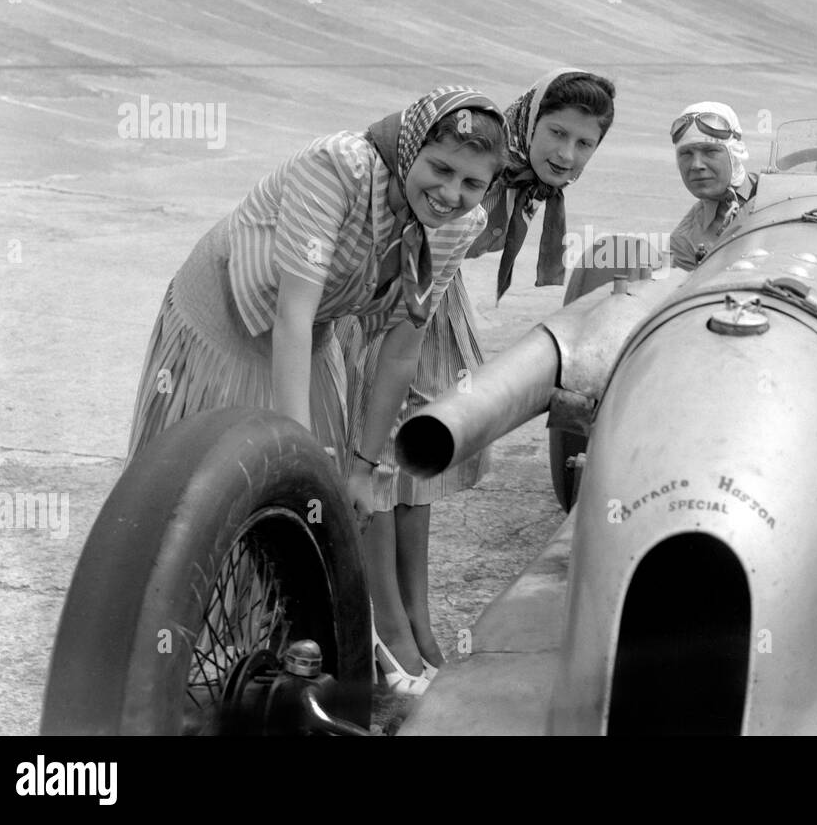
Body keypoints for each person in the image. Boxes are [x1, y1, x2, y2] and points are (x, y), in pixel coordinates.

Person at [123, 85, 509, 696]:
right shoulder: (336, 167)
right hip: (231, 317)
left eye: (471, 182)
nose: (450, 194)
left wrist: (361, 466)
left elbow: (401, 347)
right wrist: (296, 456)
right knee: (215, 491)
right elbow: (292, 313)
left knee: (321, 510)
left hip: (313, 331)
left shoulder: (462, 222)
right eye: (440, 169)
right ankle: (162, 655)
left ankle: (269, 671)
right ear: (411, 151)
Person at [352, 68, 616, 690]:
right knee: (382, 459)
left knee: (412, 467)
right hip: (394, 303)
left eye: (585, 144)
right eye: (557, 133)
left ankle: (416, 623)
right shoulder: (489, 160)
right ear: (531, 121)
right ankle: (388, 631)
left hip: (435, 298)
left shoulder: (526, 180)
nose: (567, 154)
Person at [667, 101, 758, 272]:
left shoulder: (780, 194)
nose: (696, 165)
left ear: (734, 154)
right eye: (686, 153)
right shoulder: (684, 242)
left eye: (710, 151)